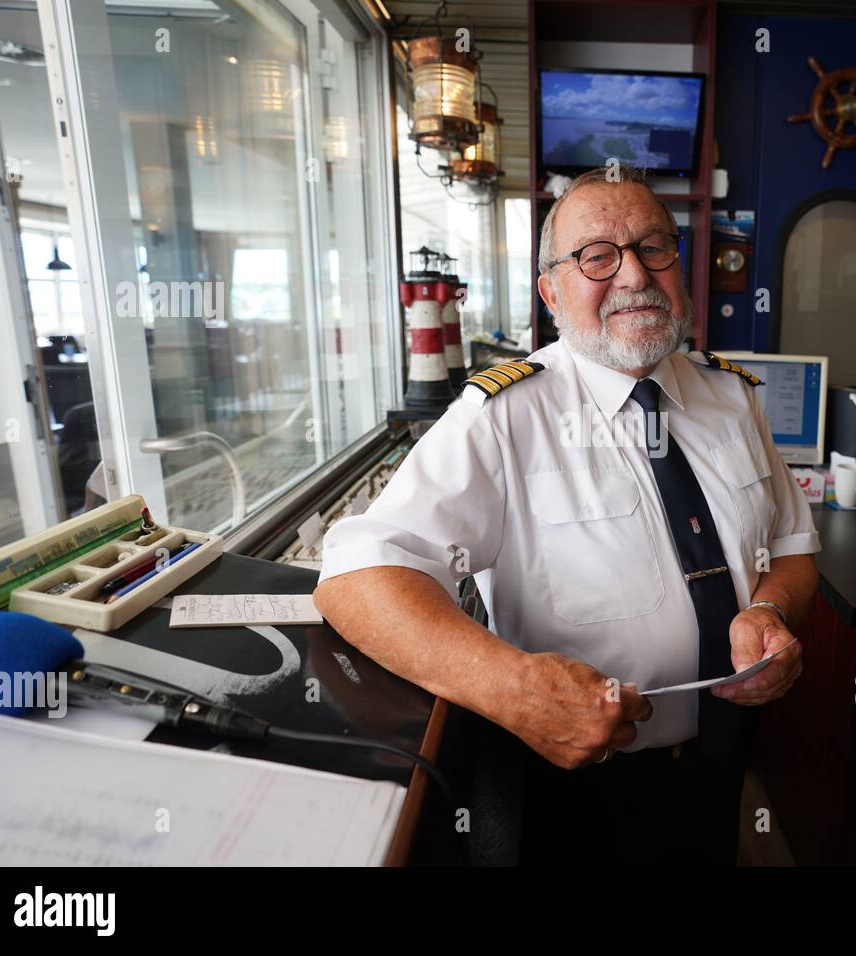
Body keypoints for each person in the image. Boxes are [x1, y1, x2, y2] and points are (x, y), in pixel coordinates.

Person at [313, 166, 821, 865]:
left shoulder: (732, 398)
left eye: (654, 247)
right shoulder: (503, 417)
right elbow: (357, 574)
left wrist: (772, 610)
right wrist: (515, 690)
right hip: (582, 781)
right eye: (597, 256)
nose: (635, 275)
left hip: (726, 755)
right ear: (552, 291)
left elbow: (792, 546)